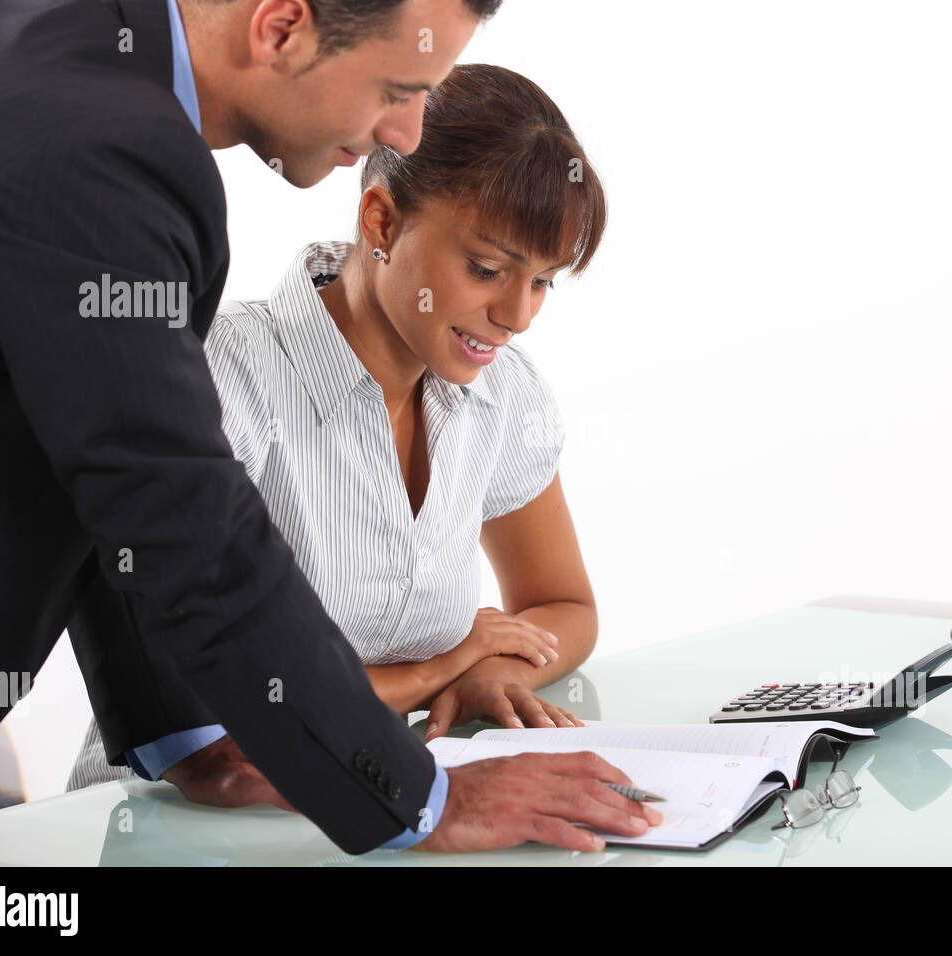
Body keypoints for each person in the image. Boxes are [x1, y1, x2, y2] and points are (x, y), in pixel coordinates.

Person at [0, 0, 659, 855]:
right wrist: (425, 802)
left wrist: (190, 743)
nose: (409, 131)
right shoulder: (108, 152)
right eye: (398, 87)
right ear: (281, 28)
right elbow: (182, 525)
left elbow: (110, 479)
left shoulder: (19, 38)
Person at [69, 62, 604, 793]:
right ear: (381, 221)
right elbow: (222, 711)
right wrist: (441, 667)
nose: (518, 316)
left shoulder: (500, 394)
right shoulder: (220, 380)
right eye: (486, 269)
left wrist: (491, 673)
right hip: (177, 816)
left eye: (542, 280)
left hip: (367, 800)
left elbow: (565, 604)